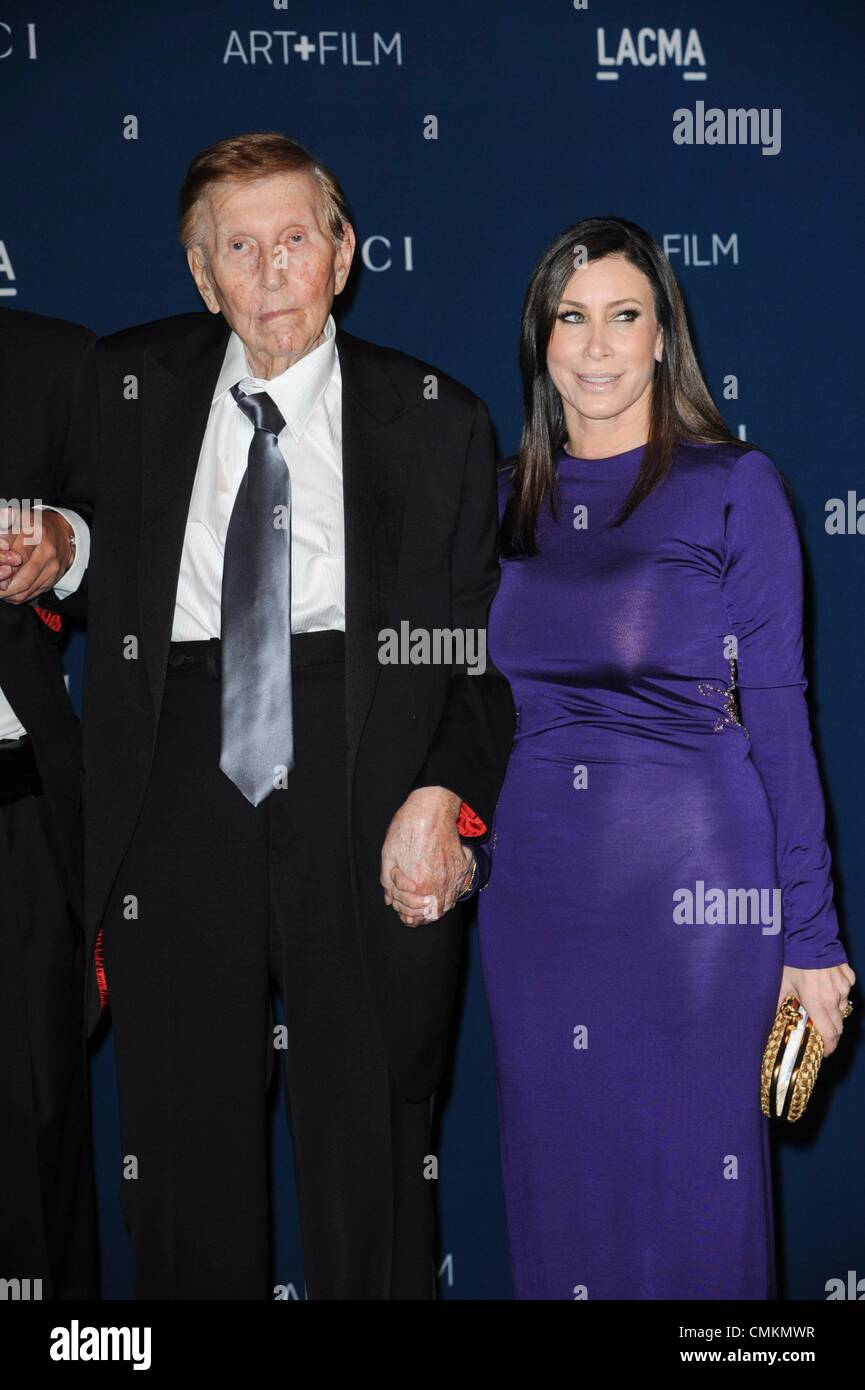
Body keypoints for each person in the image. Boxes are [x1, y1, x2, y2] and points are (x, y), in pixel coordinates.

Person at [77, 132, 514, 1299]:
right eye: (239, 247)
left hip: (363, 767)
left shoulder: (439, 418)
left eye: (293, 240)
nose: (270, 271)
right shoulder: (115, 391)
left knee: (370, 1140)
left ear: (343, 253)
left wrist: (445, 795)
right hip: (178, 772)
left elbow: (484, 652)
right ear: (200, 272)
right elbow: (60, 545)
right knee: (178, 1149)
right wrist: (58, 550)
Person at [435, 216, 855, 1299]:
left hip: (696, 899)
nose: (596, 344)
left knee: (691, 1194)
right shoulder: (495, 500)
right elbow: (463, 707)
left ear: (665, 334)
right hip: (535, 900)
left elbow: (780, 718)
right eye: (570, 318)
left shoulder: (733, 485)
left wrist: (809, 938)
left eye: (624, 315)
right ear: (540, 341)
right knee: (557, 1182)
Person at [0, 306, 98, 1298]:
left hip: (15, 823)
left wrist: (67, 544)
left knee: (32, 1160)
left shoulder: (53, 360)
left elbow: (154, 554)